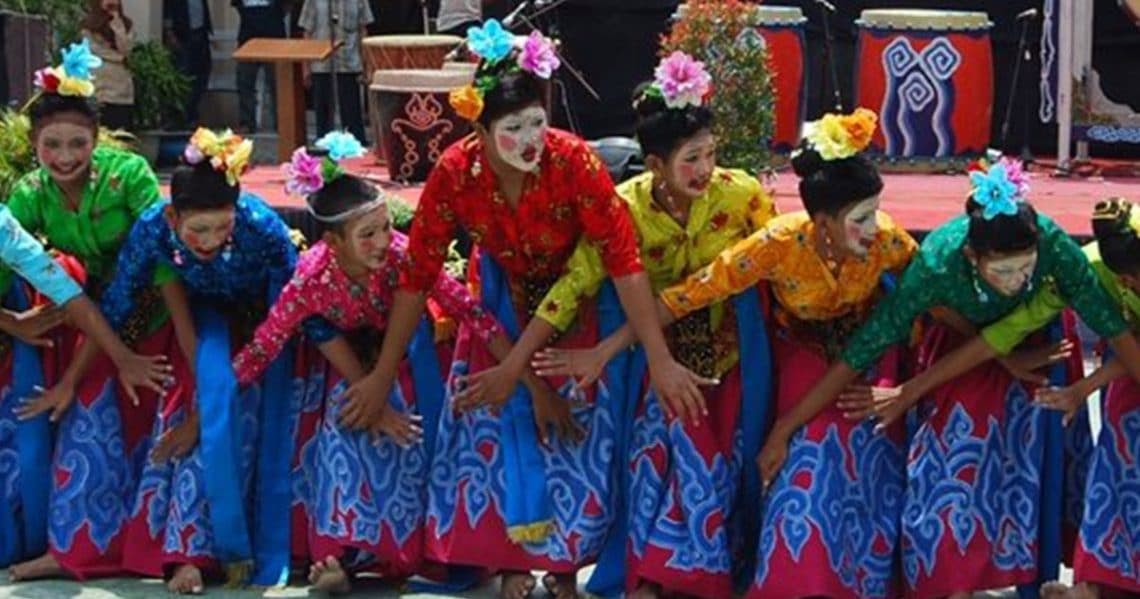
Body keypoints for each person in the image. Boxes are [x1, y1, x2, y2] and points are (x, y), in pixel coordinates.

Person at [355, 21, 703, 599]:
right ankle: (507, 558)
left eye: (537, 122)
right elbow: (417, 277)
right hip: (500, 300)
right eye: (512, 128)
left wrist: (661, 360)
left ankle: (565, 565)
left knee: (581, 426)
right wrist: (383, 373)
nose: (529, 139)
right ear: (481, 130)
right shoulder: (453, 173)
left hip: (583, 301)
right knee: (487, 418)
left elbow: (623, 262)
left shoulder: (575, 162)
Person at [786, 157, 1140, 599]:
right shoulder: (937, 264)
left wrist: (1057, 379)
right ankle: (948, 580)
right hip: (955, 349)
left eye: (1025, 269)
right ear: (973, 257)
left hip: (1037, 346)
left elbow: (1114, 330)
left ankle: (1051, 573)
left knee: (1032, 425)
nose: (1016, 282)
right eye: (1002, 271)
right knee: (955, 444)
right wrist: (784, 431)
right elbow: (863, 351)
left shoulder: (1054, 247)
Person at [530, 50, 777, 599]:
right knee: (652, 452)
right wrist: (524, 353)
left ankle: (695, 572)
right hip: (650, 352)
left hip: (729, 349)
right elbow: (578, 278)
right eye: (691, 158)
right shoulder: (624, 207)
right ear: (656, 164)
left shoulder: (742, 197)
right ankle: (647, 572)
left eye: (711, 154)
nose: (705, 170)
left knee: (716, 459)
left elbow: (780, 262)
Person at [232, 137, 513, 594]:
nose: (384, 241)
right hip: (342, 367)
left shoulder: (404, 254)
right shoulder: (310, 279)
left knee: (419, 432)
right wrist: (210, 412)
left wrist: (517, 369)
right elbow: (262, 348)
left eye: (385, 227)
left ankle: (425, 549)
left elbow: (466, 308)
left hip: (412, 354)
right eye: (367, 234)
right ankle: (340, 557)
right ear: (332, 241)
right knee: (343, 427)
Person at [89, 128, 337, 594]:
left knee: (242, 419)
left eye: (221, 227)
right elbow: (117, 304)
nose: (209, 241)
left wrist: (214, 407)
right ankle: (186, 552)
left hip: (269, 331)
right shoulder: (151, 230)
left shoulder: (261, 227)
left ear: (236, 211)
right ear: (171, 215)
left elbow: (296, 305)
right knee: (181, 412)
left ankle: (292, 546)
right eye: (197, 230)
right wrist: (115, 360)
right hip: (198, 330)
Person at [5, 43, 178, 582]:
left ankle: (163, 550)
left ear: (97, 141)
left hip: (150, 313)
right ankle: (74, 551)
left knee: (151, 426)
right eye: (50, 145)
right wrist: (12, 322)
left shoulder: (130, 178)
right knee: (85, 431)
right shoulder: (29, 196)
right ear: (33, 145)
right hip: (88, 325)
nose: (64, 157)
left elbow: (161, 268)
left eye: (77, 143)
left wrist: (131, 353)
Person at [298, 0, 373, 142]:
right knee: (323, 113)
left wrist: (367, 65)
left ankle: (355, 146)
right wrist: (306, 67)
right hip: (321, 64)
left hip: (349, 63)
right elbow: (307, 32)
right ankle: (324, 145)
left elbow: (363, 31)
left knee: (352, 113)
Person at [232, 0, 289, 133]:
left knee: (277, 84)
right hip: (248, 37)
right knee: (244, 82)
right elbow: (236, 5)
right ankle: (247, 122)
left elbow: (287, 6)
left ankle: (281, 123)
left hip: (273, 36)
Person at [80, 0, 135, 130]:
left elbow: (126, 48)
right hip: (100, 85)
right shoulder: (88, 25)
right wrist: (118, 57)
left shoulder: (126, 24)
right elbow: (95, 50)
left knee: (121, 129)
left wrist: (116, 22)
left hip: (121, 87)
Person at [163, 0, 212, 126]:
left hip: (201, 36)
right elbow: (168, 11)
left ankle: (192, 114)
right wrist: (170, 34)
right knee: (182, 76)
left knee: (201, 76)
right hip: (183, 36)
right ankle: (177, 117)